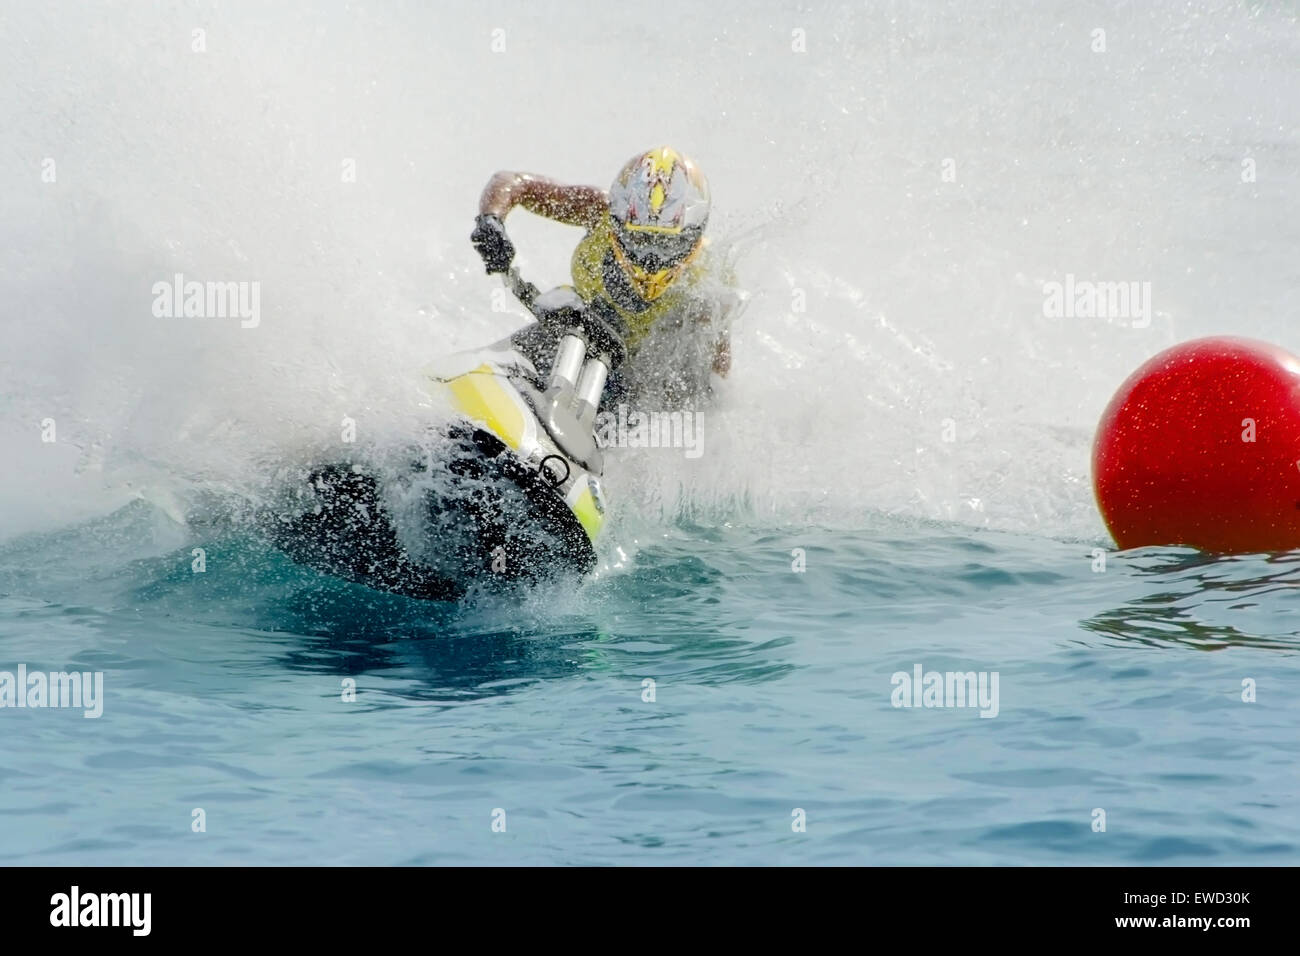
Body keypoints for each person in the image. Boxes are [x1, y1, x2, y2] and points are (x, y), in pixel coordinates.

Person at [469, 146, 741, 408]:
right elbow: (514, 183)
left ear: (694, 235)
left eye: (665, 245)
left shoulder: (711, 275)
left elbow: (716, 371)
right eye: (639, 239)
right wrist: (491, 221)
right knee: (547, 333)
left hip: (643, 378)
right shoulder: (598, 210)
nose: (650, 259)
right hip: (575, 334)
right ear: (617, 220)